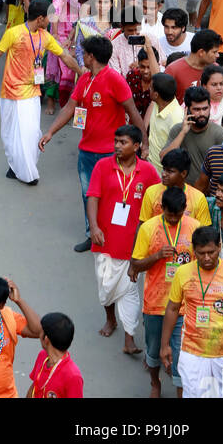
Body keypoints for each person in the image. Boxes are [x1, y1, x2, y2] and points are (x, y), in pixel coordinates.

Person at [40, 35, 148, 252]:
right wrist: (50, 131)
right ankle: (93, 234)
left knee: (115, 196)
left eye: (84, 54)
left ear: (91, 56)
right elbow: (71, 108)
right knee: (89, 195)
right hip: (87, 152)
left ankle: (115, 237)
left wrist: (143, 143)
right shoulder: (84, 79)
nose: (82, 57)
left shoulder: (116, 80)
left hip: (111, 153)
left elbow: (133, 113)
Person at [0, 0, 82, 185]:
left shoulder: (46, 37)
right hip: (12, 91)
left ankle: (28, 174)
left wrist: (83, 74)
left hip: (32, 92)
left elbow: (65, 57)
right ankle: (16, 166)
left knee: (30, 133)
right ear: (40, 18)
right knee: (10, 133)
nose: (51, 21)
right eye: (49, 17)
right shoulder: (13, 33)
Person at [86, 125, 160, 355]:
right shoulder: (102, 166)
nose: (117, 146)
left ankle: (129, 338)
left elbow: (157, 203)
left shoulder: (148, 172)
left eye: (123, 142)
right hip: (105, 239)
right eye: (116, 141)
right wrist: (94, 226)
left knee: (129, 289)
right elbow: (93, 197)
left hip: (134, 243)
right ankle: (111, 319)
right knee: (105, 286)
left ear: (137, 146)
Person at [160, 225, 223, 398]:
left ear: (219, 246)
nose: (207, 258)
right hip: (192, 351)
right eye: (201, 253)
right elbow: (173, 308)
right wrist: (165, 345)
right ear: (193, 250)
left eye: (211, 252)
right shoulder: (183, 273)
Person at [163, 85, 223, 187]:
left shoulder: (220, 134)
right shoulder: (178, 130)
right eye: (197, 109)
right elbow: (164, 158)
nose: (202, 113)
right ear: (187, 110)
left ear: (210, 107)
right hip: (180, 193)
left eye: (205, 108)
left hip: (207, 196)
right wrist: (183, 133)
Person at [26, 311, 84, 399]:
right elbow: (35, 385)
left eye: (40, 331)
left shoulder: (73, 376)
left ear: (46, 339)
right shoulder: (42, 356)